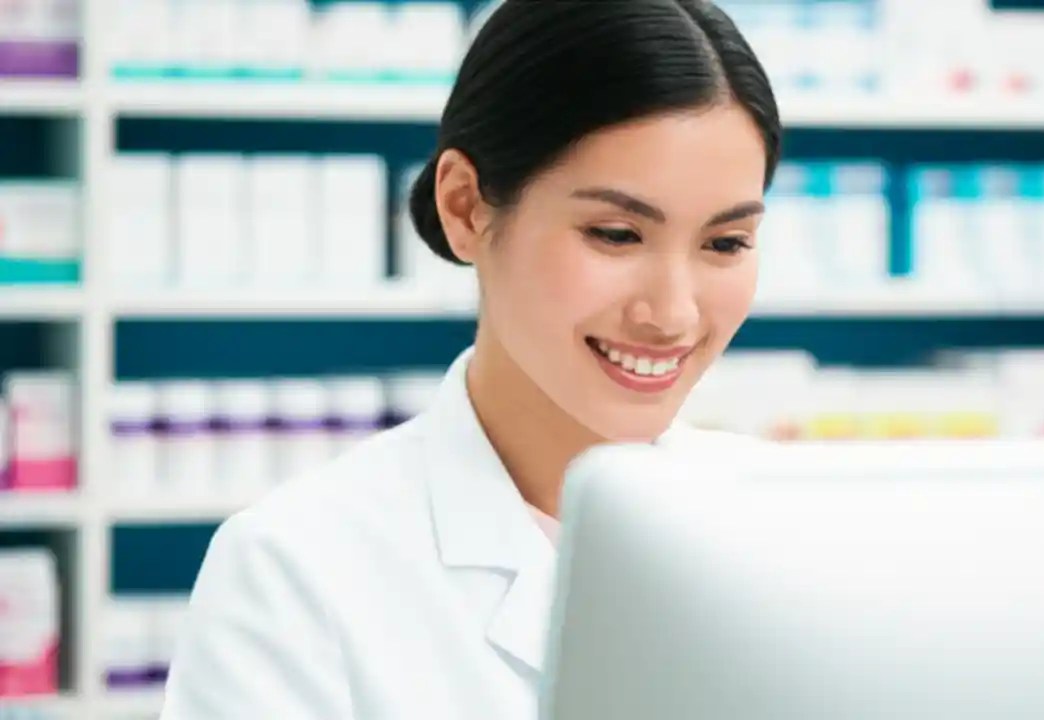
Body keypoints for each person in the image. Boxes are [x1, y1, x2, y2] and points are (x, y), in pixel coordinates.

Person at [159, 0, 781, 717]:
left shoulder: (781, 524)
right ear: (465, 208)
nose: (673, 313)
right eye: (616, 234)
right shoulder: (294, 571)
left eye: (725, 244)